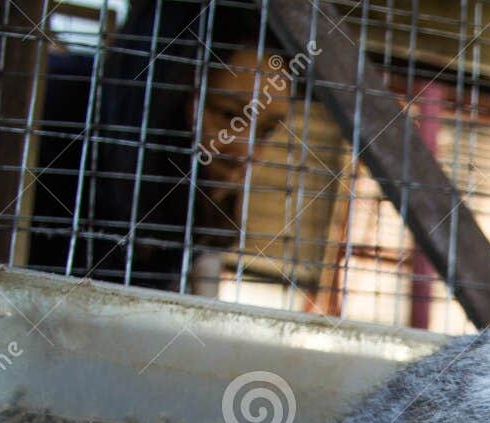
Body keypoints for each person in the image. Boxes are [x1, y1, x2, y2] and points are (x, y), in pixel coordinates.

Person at [28, 0, 294, 291]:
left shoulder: (186, 212)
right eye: (228, 114)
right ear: (168, 90)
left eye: (266, 130)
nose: (246, 153)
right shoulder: (47, 108)